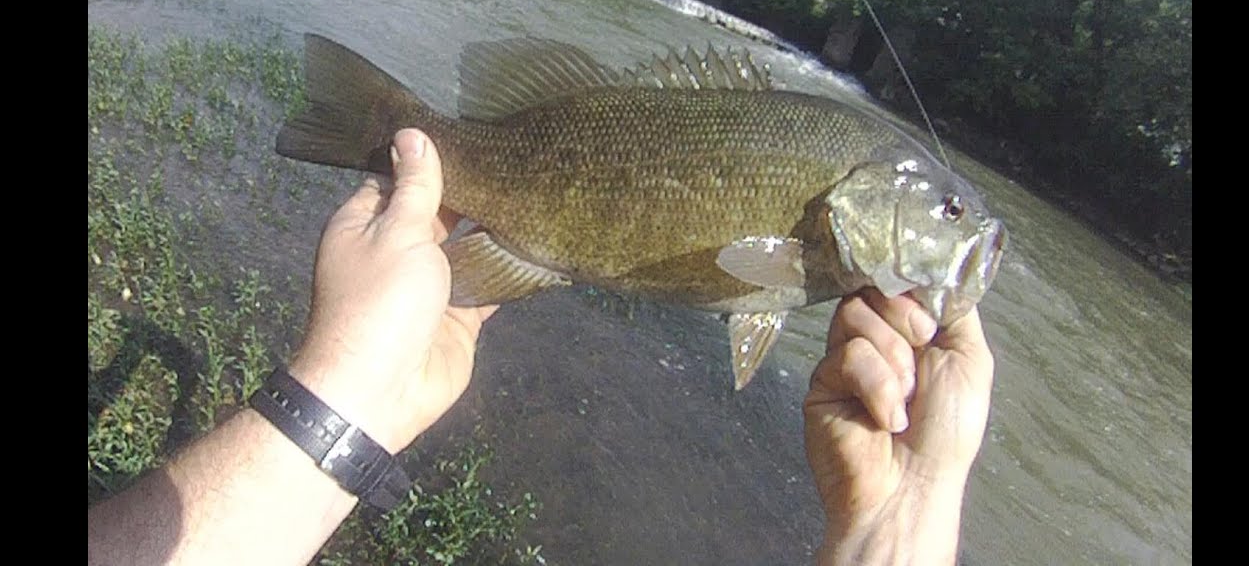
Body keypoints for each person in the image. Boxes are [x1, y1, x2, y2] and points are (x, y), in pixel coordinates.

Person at [87, 129, 994, 566]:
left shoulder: (818, 261)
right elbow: (744, 264)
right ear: (871, 196)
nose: (962, 228)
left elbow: (747, 271)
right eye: (948, 211)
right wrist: (898, 529)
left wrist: (904, 510)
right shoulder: (815, 243)